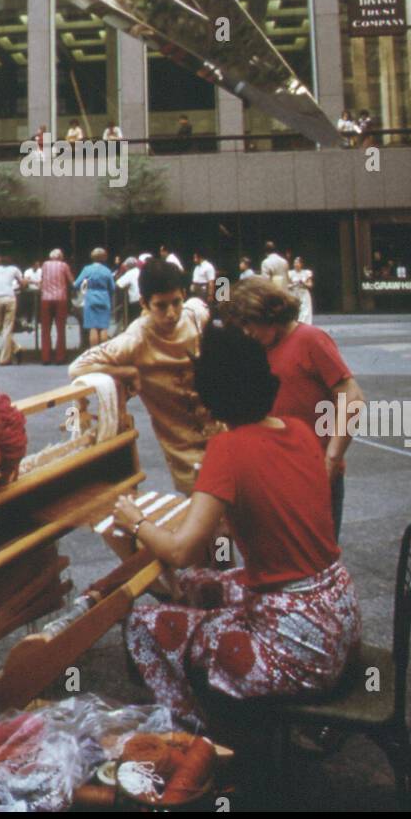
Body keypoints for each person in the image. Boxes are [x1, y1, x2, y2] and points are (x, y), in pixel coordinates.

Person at [114, 326, 361, 728]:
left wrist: (135, 521)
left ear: (210, 396)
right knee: (196, 583)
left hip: (300, 647)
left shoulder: (227, 449)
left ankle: (195, 732)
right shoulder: (298, 430)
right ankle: (225, 707)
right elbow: (274, 504)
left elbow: (181, 551)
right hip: (340, 619)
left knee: (142, 624)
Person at [219, 279, 364, 538]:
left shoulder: (310, 339)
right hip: (272, 475)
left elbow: (352, 398)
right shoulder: (257, 349)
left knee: (317, 559)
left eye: (249, 324)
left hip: (314, 473)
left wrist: (331, 460)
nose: (247, 332)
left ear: (268, 314)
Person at [69, 259, 214, 493]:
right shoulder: (136, 338)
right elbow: (77, 366)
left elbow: (201, 304)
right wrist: (125, 371)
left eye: (176, 302)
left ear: (183, 295)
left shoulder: (194, 316)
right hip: (185, 451)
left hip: (221, 434)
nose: (171, 313)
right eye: (161, 305)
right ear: (145, 303)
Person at [73, 247, 116, 347]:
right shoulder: (107, 271)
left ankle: (94, 353)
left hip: (90, 297)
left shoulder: (87, 269)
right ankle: (103, 352)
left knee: (93, 327)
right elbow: (112, 288)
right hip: (104, 298)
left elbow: (76, 284)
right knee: (103, 327)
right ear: (104, 258)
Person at [40, 248, 74, 365]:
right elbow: (71, 281)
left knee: (45, 329)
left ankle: (46, 357)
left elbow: (42, 278)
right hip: (60, 298)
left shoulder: (45, 265)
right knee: (60, 329)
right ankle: (60, 357)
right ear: (60, 257)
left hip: (46, 298)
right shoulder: (64, 265)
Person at [0, 256, 23, 365]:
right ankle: (16, 348)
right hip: (10, 297)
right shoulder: (14, 269)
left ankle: (4, 358)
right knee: (7, 328)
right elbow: (22, 283)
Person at [288, 255, 314, 326]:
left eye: (297, 263)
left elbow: (310, 285)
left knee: (305, 311)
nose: (296, 264)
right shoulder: (290, 273)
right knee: (293, 310)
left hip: (303, 293)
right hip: (294, 293)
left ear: (301, 264)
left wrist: (303, 283)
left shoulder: (306, 273)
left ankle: (303, 326)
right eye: (295, 263)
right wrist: (293, 285)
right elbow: (287, 285)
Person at [21, 260, 42, 330]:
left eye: (38, 265)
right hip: (30, 291)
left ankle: (36, 321)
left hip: (38, 291)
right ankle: (27, 321)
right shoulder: (28, 271)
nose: (37, 267)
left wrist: (40, 283)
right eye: (36, 265)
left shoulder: (40, 271)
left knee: (38, 308)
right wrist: (35, 282)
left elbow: (42, 279)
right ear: (33, 265)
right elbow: (26, 280)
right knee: (29, 307)